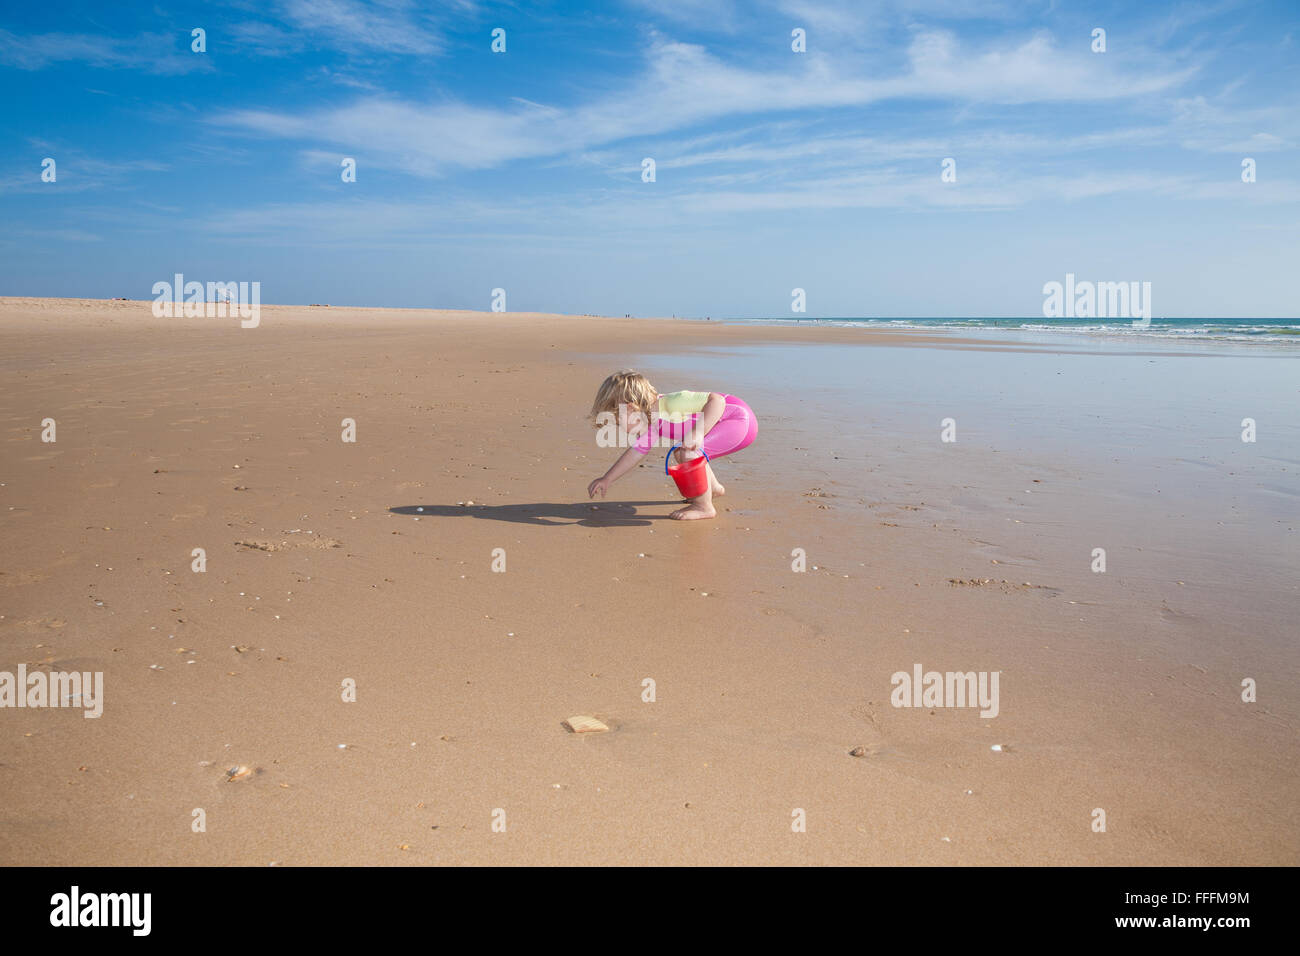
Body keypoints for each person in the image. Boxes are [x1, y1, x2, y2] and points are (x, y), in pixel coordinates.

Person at [587, 370, 757, 520]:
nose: (620, 428)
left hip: (739, 421)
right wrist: (607, 478)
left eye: (618, 422)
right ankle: (713, 489)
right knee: (681, 451)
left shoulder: (671, 403)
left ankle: (703, 507)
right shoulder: (650, 426)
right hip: (731, 424)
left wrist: (697, 432)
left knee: (688, 452)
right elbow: (635, 452)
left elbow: (717, 401)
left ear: (631, 409)